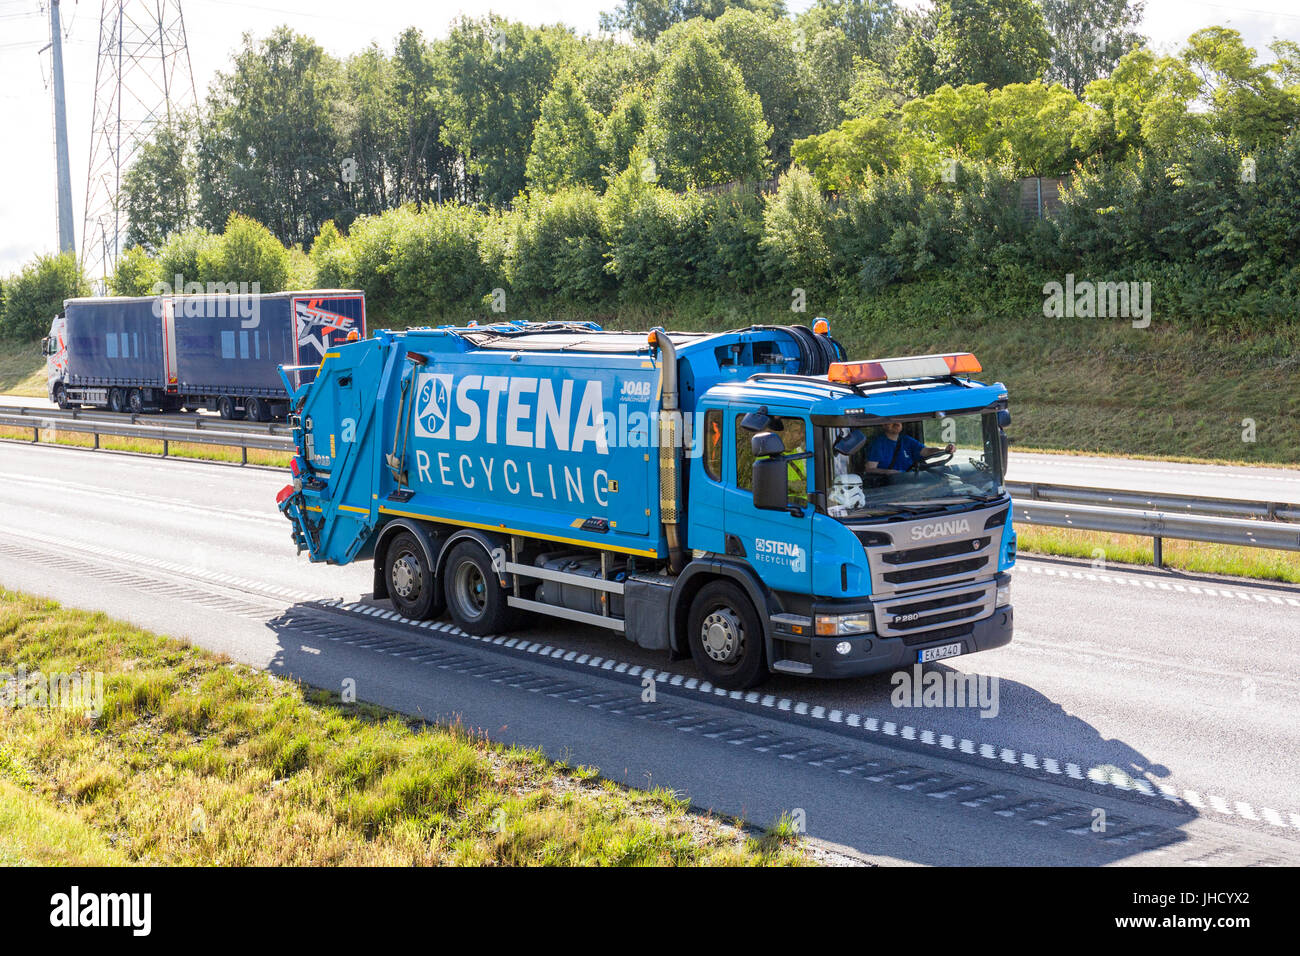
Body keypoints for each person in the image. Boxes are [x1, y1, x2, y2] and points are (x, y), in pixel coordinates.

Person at [864, 421, 954, 474]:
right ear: (883, 425)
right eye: (892, 421)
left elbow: (926, 451)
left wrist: (944, 450)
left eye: (898, 420)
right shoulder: (878, 443)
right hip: (889, 485)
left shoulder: (906, 440)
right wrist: (889, 472)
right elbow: (870, 469)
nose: (896, 423)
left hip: (910, 480)